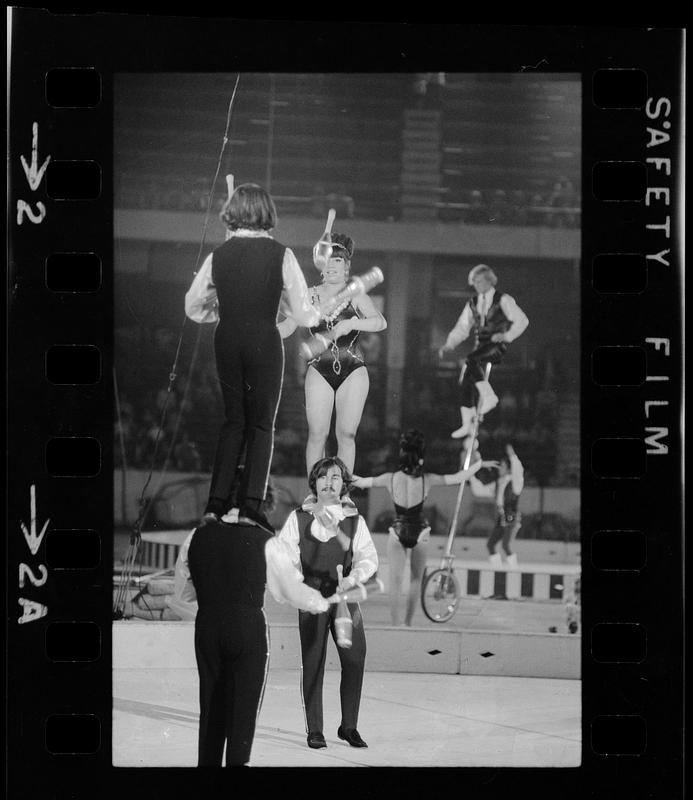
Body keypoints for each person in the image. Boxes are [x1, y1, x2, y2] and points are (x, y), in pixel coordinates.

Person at [185, 182, 319, 532]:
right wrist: (292, 307)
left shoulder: (219, 255)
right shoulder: (281, 254)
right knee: (261, 425)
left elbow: (192, 306)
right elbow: (305, 315)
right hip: (263, 337)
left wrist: (221, 313)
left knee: (233, 422)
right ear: (267, 213)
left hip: (226, 337)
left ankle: (215, 505)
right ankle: (250, 507)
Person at [177, 486, 339, 767]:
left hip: (208, 627)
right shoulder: (266, 540)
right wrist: (322, 602)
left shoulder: (196, 535)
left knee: (210, 713)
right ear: (265, 504)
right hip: (247, 628)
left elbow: (184, 592)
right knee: (242, 716)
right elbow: (289, 591)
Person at [277, 456, 379, 750]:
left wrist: (354, 577)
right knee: (313, 661)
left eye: (335, 477)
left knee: (355, 656)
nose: (328, 482)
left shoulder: (354, 520)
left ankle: (349, 727)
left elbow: (368, 558)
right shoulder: (299, 517)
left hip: (344, 597)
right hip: (311, 597)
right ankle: (315, 729)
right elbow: (286, 558)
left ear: (343, 484)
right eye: (323, 477)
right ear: (315, 483)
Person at [352, 429, 498, 626]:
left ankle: (396, 625)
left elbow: (361, 481)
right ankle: (408, 623)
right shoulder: (427, 479)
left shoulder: (390, 478)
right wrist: (479, 464)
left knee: (395, 583)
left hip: (397, 531)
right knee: (415, 580)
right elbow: (458, 477)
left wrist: (340, 472)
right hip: (420, 532)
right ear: (421, 455)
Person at [278, 233, 387, 476]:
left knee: (346, 435)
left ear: (347, 267)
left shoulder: (356, 294)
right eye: (328, 262)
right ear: (321, 265)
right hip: (319, 368)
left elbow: (380, 322)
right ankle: (314, 492)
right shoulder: (308, 295)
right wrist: (262, 331)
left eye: (338, 263)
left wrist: (351, 325)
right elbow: (287, 327)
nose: (332, 267)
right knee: (317, 435)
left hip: (353, 368)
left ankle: (343, 491)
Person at [438, 263, 529, 439]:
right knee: (464, 380)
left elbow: (522, 320)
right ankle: (467, 423)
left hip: (495, 345)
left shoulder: (504, 300)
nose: (476, 285)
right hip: (480, 347)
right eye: (474, 282)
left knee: (470, 361)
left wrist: (507, 335)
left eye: (479, 281)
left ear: (489, 281)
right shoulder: (473, 302)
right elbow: (462, 327)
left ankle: (489, 397)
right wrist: (449, 344)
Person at [486, 444, 525, 569]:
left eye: (502, 466)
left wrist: (512, 457)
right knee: (491, 544)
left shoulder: (515, 483)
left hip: (511, 516)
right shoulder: (498, 483)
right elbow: (480, 490)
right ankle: (496, 568)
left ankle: (514, 569)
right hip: (501, 516)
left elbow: (518, 472)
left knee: (505, 545)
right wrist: (470, 475)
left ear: (509, 469)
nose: (499, 468)